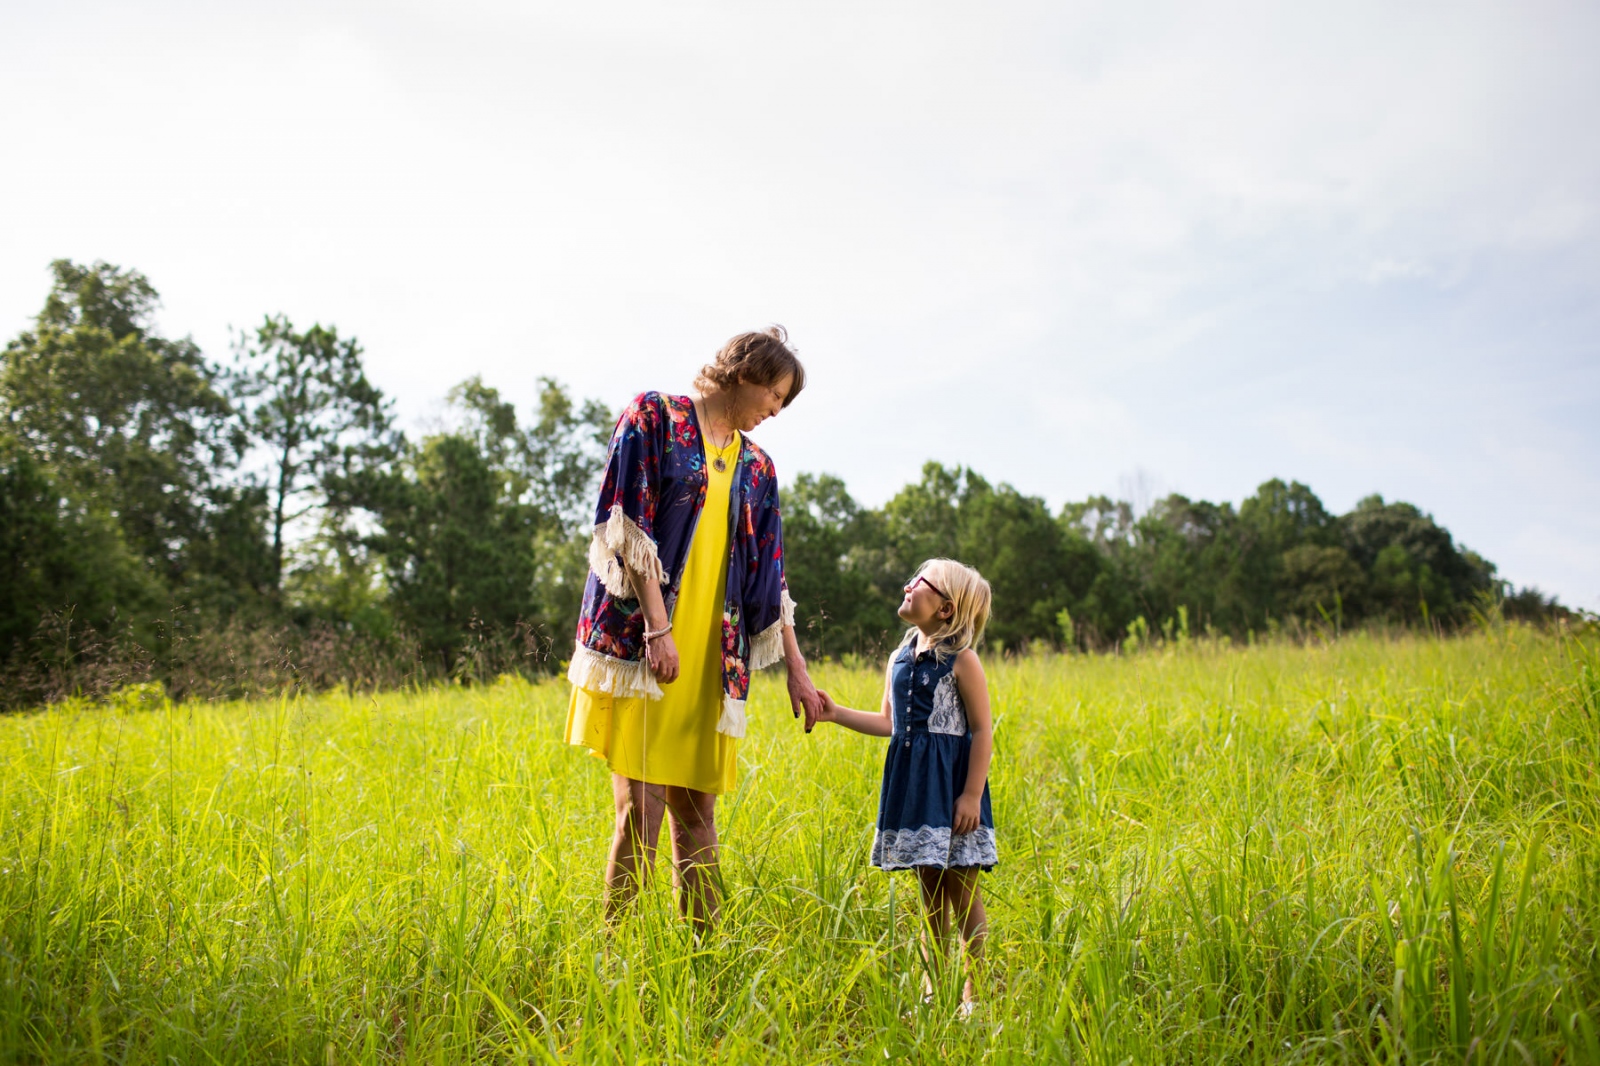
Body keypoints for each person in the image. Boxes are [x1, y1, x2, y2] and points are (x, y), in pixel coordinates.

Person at [564, 326, 824, 930]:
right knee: (640, 812)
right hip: (646, 646)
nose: (775, 411)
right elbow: (626, 522)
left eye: (784, 403)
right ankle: (614, 953)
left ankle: (704, 961)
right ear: (745, 373)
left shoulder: (758, 467)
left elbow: (770, 578)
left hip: (714, 657)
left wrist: (798, 673)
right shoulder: (654, 417)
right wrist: (658, 629)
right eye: (775, 395)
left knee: (698, 817)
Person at [814, 558, 996, 1011]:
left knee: (963, 889)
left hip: (952, 790)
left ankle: (975, 994)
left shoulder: (963, 661)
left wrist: (971, 794)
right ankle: (935, 988)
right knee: (930, 892)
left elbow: (983, 730)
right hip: (915, 789)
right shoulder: (898, 658)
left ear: (946, 609)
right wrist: (836, 714)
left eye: (920, 582)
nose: (907, 584)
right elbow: (888, 722)